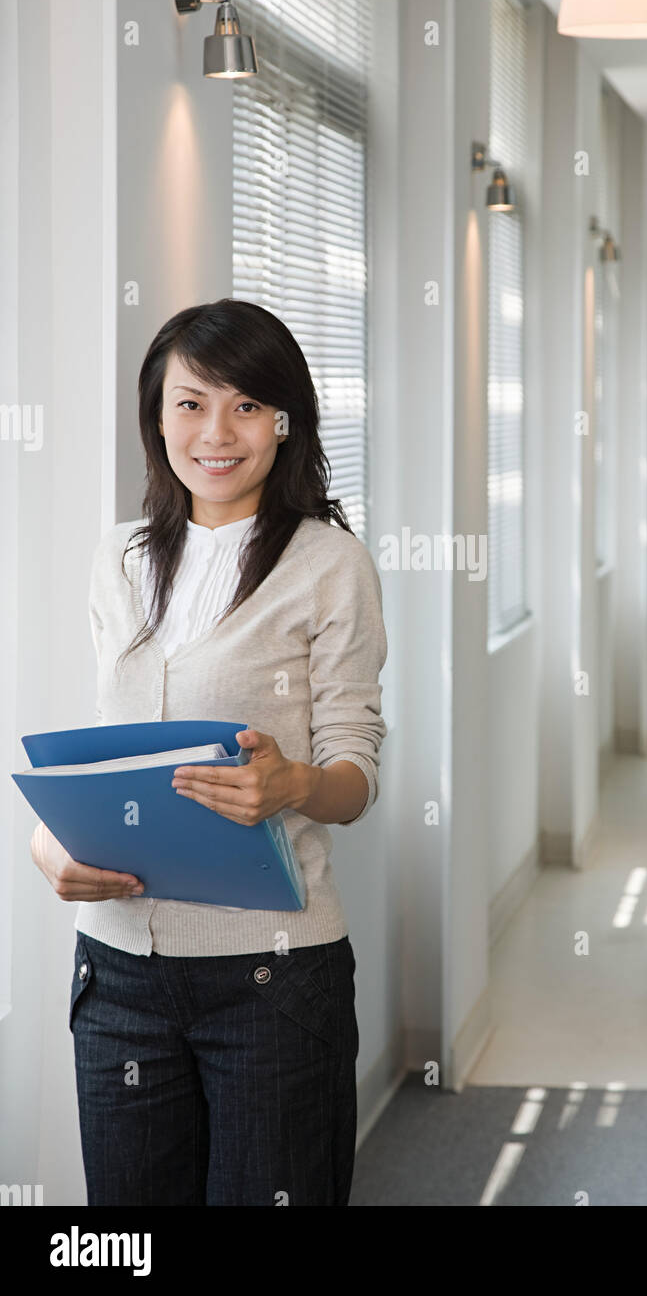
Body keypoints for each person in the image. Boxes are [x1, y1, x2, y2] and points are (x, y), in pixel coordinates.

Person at [30, 298, 387, 1206]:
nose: (216, 432)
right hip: (115, 976)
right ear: (157, 418)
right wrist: (52, 849)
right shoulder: (118, 558)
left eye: (244, 405)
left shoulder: (327, 563)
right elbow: (105, 750)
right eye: (190, 403)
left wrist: (293, 782)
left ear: (283, 420)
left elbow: (356, 772)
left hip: (271, 980)